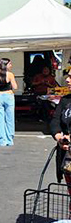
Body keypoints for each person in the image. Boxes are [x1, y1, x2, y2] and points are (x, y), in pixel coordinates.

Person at [50, 69, 71, 199]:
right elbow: (55, 121)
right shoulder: (65, 100)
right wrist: (59, 137)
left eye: (70, 77)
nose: (67, 80)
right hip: (67, 158)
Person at [0, 57, 18, 146]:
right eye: (9, 64)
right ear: (5, 65)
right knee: (9, 118)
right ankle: (9, 139)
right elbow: (15, 87)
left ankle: (1, 140)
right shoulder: (10, 74)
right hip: (8, 95)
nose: (11, 65)